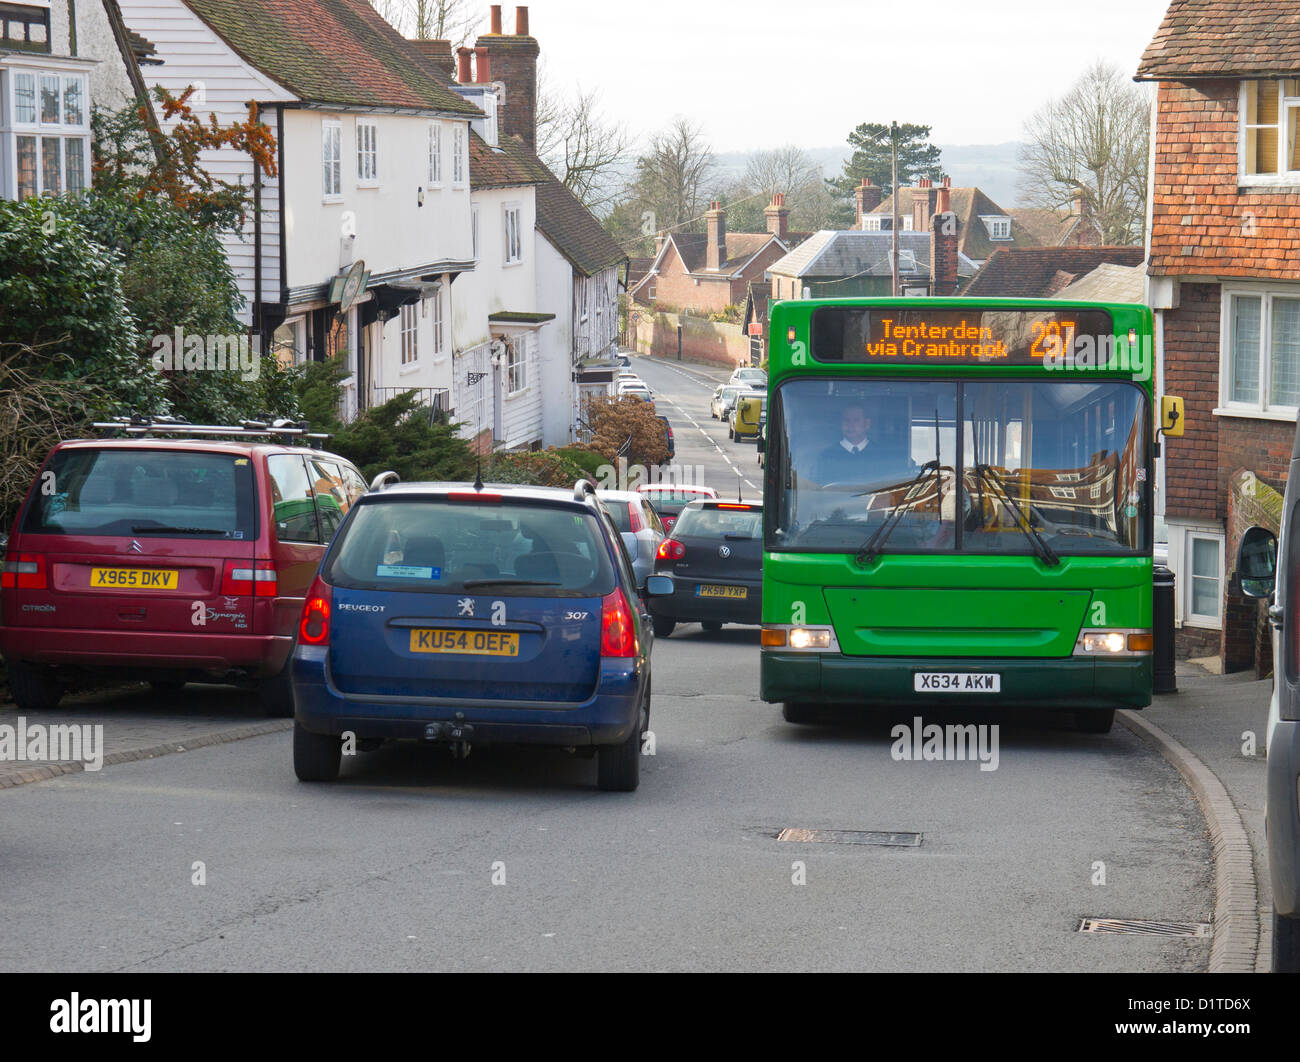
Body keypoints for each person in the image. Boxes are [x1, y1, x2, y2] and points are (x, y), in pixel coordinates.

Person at [812, 403, 876, 485]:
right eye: (846, 420)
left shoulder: (880, 453)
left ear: (867, 424)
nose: (850, 425)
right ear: (840, 423)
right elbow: (820, 489)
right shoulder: (827, 456)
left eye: (856, 420)